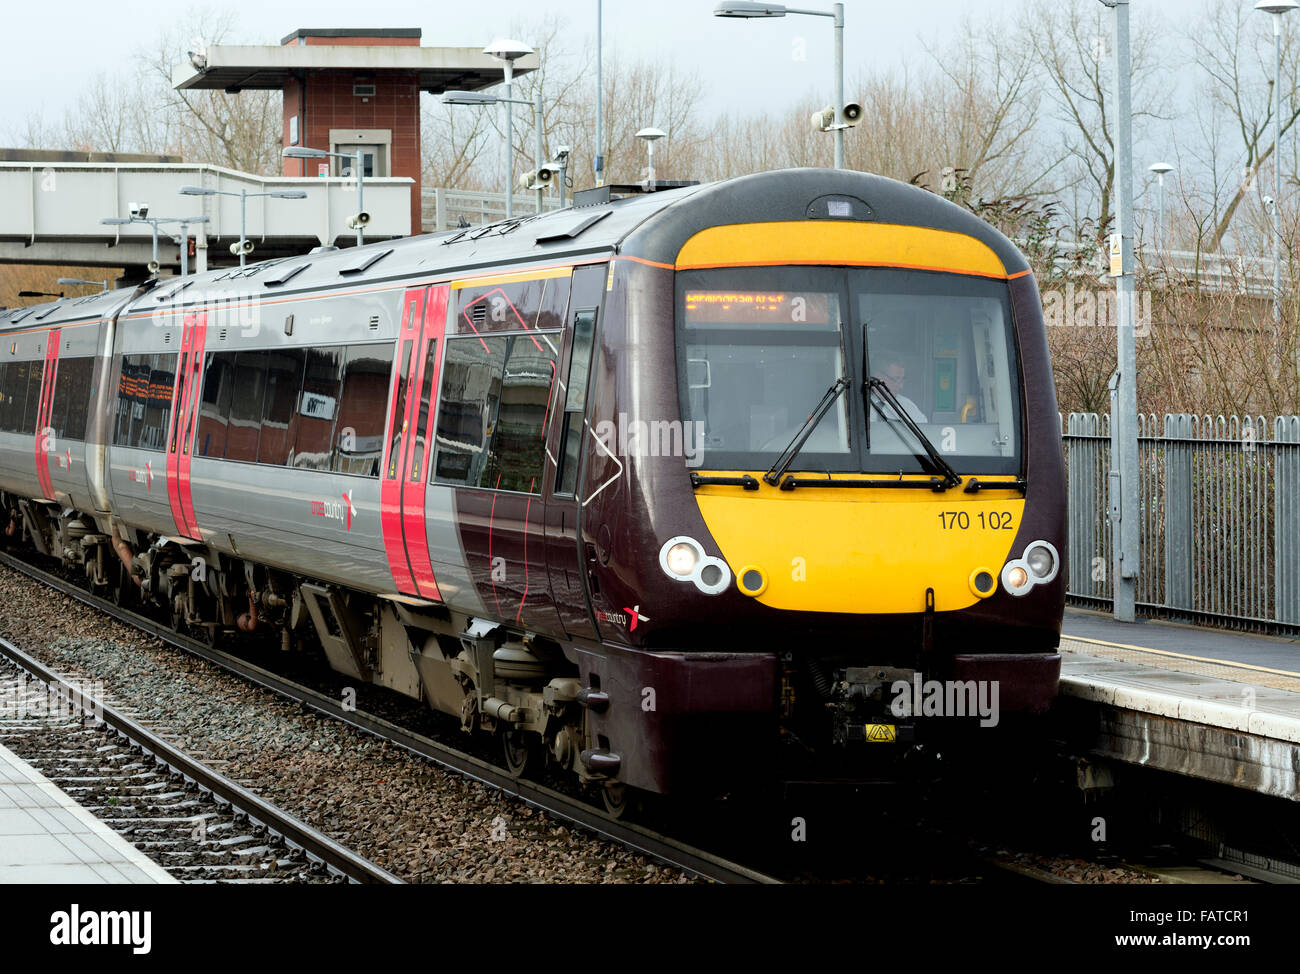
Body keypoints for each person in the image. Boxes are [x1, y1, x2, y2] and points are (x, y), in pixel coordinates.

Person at [871, 359, 928, 424]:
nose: (901, 386)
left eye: (902, 380)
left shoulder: (906, 406)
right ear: (878, 376)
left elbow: (925, 430)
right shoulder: (859, 406)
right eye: (896, 379)